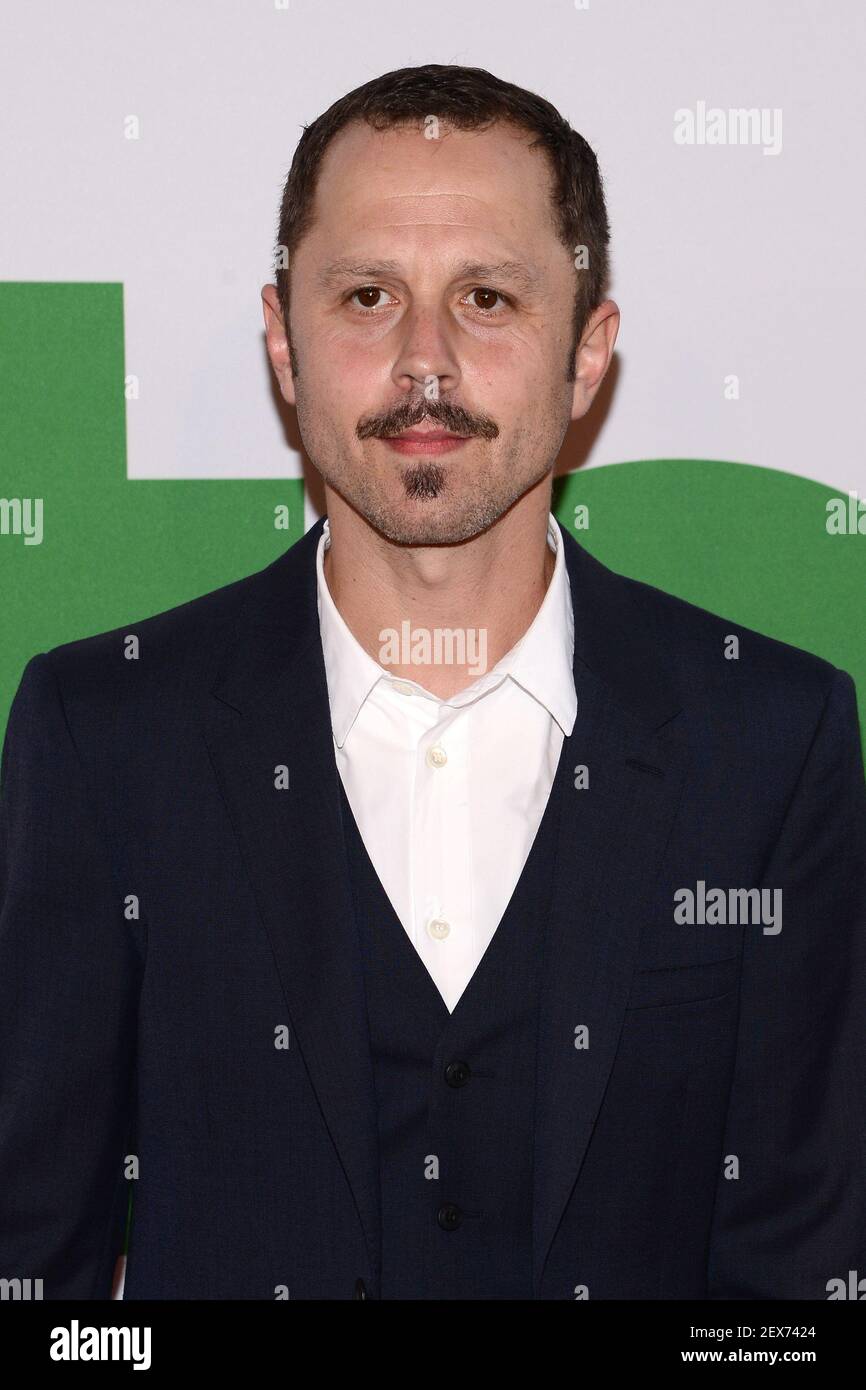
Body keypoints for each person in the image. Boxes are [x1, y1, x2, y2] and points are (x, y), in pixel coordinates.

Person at [1, 64, 864, 1301]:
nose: (422, 363)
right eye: (365, 296)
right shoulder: (103, 735)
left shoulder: (769, 739)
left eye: (487, 298)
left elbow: (796, 1284)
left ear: (585, 354)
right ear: (282, 345)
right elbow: (39, 1271)